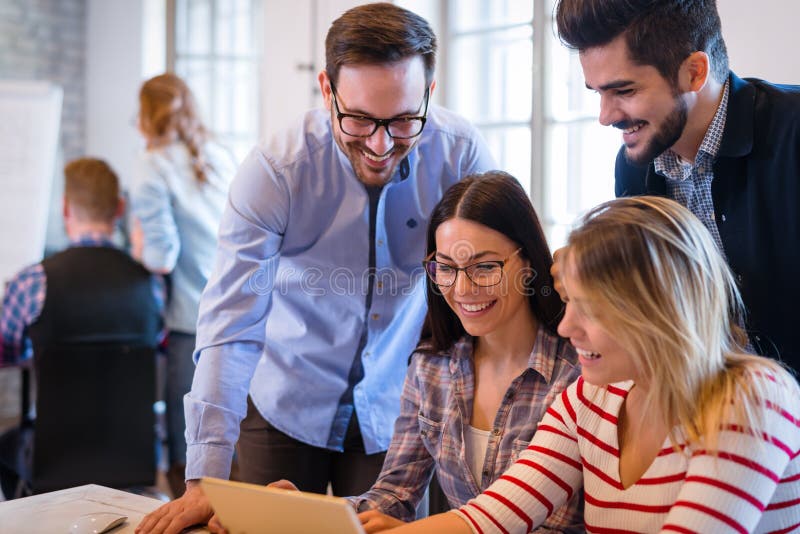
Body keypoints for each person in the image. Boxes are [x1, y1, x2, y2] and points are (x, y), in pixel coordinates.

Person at [136, 3, 494, 533]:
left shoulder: (461, 156)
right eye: (360, 120)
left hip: (396, 410)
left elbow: (495, 290)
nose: (380, 145)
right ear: (327, 90)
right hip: (283, 398)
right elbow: (231, 323)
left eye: (401, 121)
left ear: (429, 93)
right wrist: (203, 475)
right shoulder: (277, 170)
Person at [386, 196, 800, 534]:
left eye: (591, 310)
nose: (566, 328)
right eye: (568, 305)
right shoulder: (590, 399)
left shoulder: (754, 394)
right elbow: (488, 518)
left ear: (656, 310)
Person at [272, 172, 584, 533]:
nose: (462, 289)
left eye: (484, 267)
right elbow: (394, 494)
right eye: (446, 268)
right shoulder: (431, 367)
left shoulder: (577, 373)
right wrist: (310, 512)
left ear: (528, 263)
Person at [550, 0, 800, 369]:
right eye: (597, 92)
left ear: (695, 72)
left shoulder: (792, 133)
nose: (605, 117)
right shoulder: (634, 167)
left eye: (624, 91)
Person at [0, 157, 163, 498]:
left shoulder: (34, 282)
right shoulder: (151, 284)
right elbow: (156, 341)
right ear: (120, 208)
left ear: (65, 209)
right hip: (132, 461)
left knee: (7, 444)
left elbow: (9, 348)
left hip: (54, 462)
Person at [130, 72, 236, 497]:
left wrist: (137, 244)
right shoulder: (219, 154)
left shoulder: (150, 165)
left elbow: (160, 256)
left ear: (145, 116)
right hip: (237, 314)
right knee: (226, 435)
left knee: (187, 444)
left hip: (188, 321)